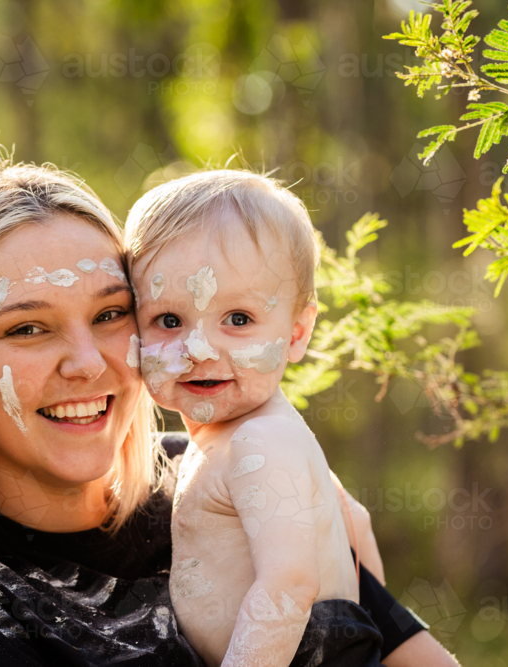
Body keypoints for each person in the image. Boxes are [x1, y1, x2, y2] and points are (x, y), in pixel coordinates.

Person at [0, 154, 461, 667]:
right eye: (29, 328)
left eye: (110, 313)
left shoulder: (208, 475)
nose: (88, 361)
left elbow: (384, 633)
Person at [124, 169, 382, 667]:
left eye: (238, 320)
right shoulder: (236, 438)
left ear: (296, 333)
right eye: (169, 320)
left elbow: (289, 583)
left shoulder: (260, 441)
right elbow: (360, 526)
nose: (198, 349)